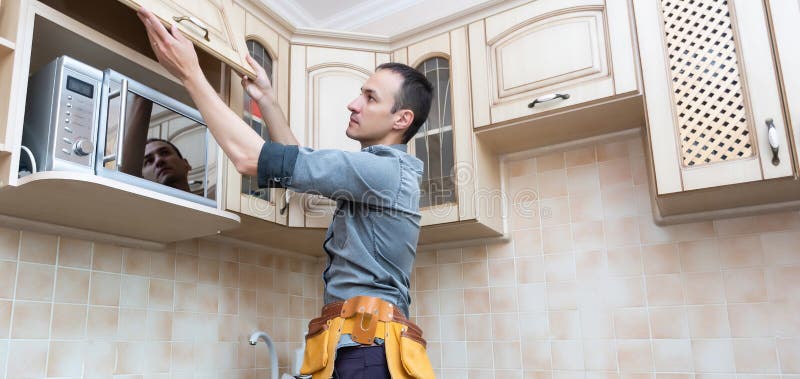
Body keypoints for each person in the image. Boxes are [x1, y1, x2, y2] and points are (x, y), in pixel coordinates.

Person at [138, 7, 435, 379]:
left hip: (366, 350)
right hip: (363, 347)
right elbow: (298, 168)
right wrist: (266, 99)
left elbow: (250, 158)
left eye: (370, 98)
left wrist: (190, 73)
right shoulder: (380, 174)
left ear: (401, 119)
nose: (353, 103)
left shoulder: (383, 171)